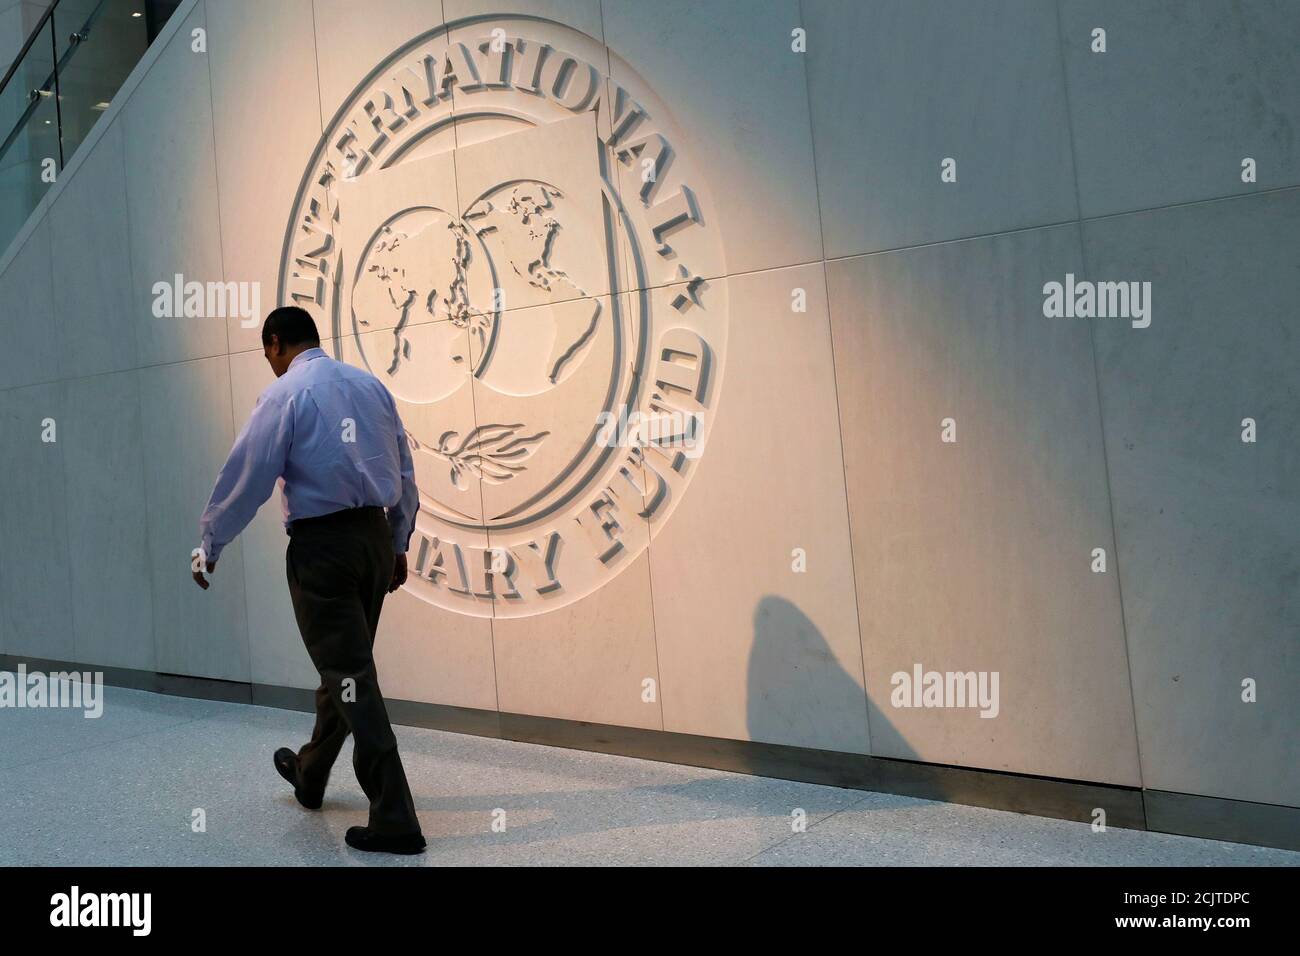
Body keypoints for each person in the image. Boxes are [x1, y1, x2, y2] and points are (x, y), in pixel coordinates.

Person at [192, 305, 425, 855]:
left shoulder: (285, 395)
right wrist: (397, 542)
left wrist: (210, 544)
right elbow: (406, 469)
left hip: (324, 550)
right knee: (343, 668)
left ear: (275, 343)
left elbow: (246, 475)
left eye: (266, 352)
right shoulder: (370, 387)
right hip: (372, 541)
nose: (269, 363)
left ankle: (395, 816)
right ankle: (311, 771)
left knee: (350, 675)